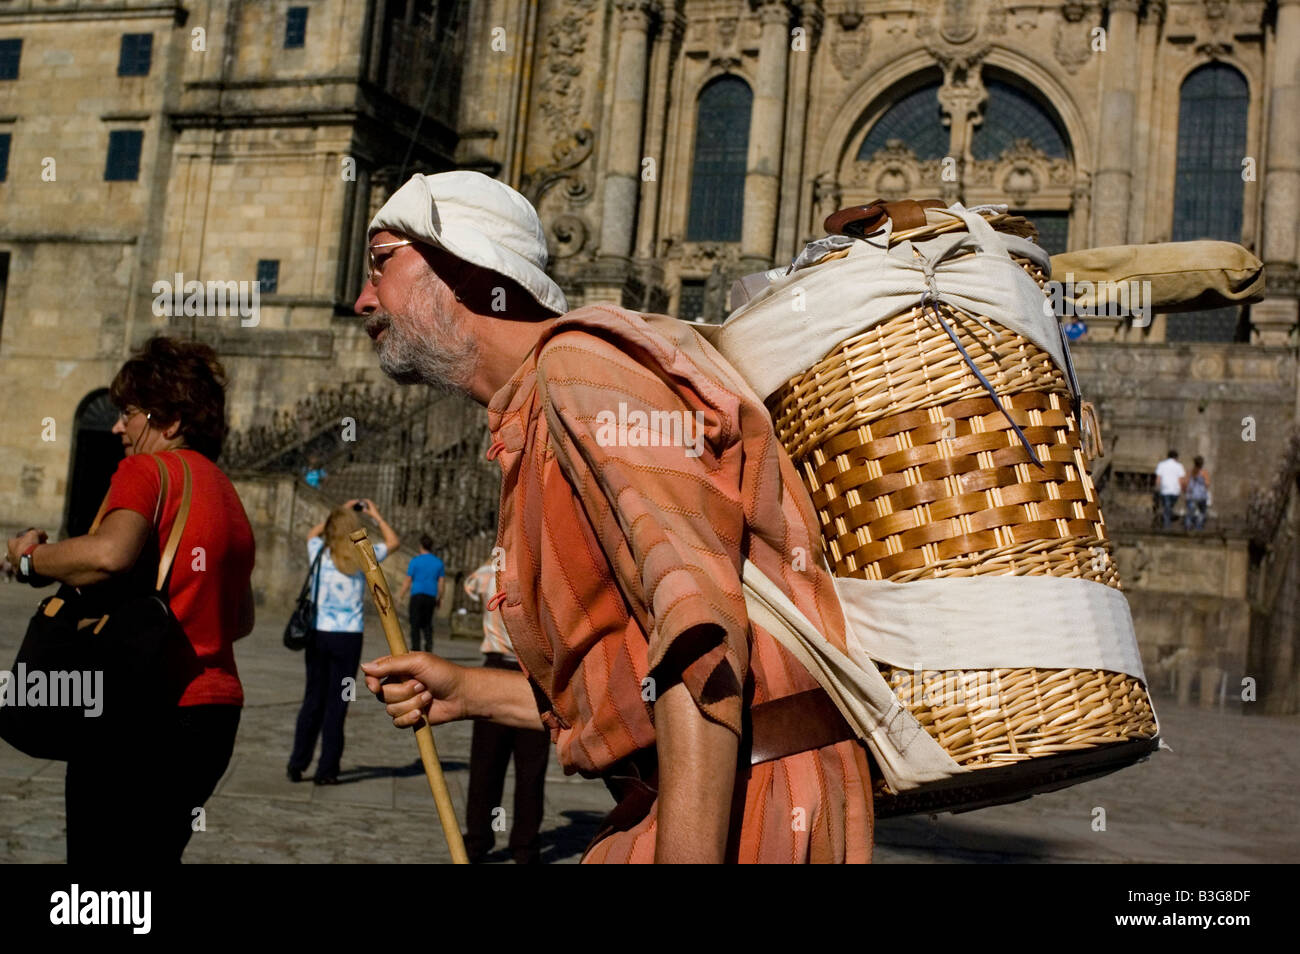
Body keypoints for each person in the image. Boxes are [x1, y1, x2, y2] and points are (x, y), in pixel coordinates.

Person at [355, 171, 872, 863]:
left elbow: (697, 631)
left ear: (465, 266)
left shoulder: (578, 366)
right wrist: (470, 691)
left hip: (754, 801)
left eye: (382, 263)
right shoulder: (530, 412)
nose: (362, 300)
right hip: (684, 797)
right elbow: (637, 680)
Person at [5, 336, 255, 862]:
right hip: (212, 721)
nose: (120, 426)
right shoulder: (227, 494)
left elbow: (108, 555)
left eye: (131, 413)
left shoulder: (147, 471)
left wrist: (29, 561)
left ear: (169, 421)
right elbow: (242, 619)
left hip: (141, 712)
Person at [288, 498, 399, 784]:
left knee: (313, 697)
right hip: (348, 637)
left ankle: (298, 762)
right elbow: (393, 542)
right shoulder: (363, 556)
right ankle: (327, 770)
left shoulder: (318, 550)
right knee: (338, 701)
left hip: (318, 633)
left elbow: (311, 534)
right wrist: (374, 515)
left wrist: (339, 511)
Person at [461, 561, 550, 863]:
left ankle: (477, 841)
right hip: (535, 676)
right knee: (531, 770)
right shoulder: (544, 576)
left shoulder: (489, 571)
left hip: (496, 667)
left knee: (485, 766)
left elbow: (470, 586)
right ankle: (526, 846)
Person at [398, 534, 444, 653]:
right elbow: (441, 582)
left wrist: (401, 595)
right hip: (431, 595)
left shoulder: (415, 561)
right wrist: (440, 598)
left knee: (415, 623)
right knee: (427, 623)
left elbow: (408, 579)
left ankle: (416, 648)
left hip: (417, 594)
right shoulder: (438, 563)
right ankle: (428, 647)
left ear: (420, 546)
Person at [1154, 449, 1185, 529]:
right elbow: (1180, 480)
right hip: (1175, 490)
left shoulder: (1161, 465)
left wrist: (1157, 487)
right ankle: (1167, 524)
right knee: (1169, 507)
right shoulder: (1179, 466)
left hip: (1165, 489)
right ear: (1176, 457)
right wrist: (1182, 490)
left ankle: (1167, 524)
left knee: (1167, 507)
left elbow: (1158, 478)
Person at [1183, 455, 1211, 531]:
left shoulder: (1190, 472)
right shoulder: (1204, 473)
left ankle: (1188, 527)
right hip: (1201, 496)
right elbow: (1207, 484)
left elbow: (1185, 483)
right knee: (1202, 512)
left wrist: (1185, 491)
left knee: (1190, 512)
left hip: (1191, 495)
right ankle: (1198, 527)